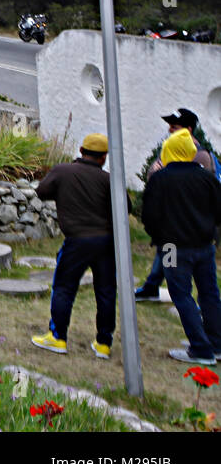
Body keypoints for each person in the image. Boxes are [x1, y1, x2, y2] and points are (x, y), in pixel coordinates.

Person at [31, 133, 124, 359]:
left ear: (81, 151)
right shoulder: (108, 179)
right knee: (106, 291)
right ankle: (103, 343)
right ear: (103, 158)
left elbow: (41, 191)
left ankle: (58, 337)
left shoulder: (63, 171)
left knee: (64, 287)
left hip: (76, 241)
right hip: (105, 242)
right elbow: (125, 206)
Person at [142, 128, 221, 365]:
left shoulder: (160, 179)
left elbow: (149, 215)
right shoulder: (207, 177)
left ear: (169, 151)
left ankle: (200, 348)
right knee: (209, 293)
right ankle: (216, 344)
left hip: (171, 247)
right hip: (204, 246)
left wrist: (157, 235)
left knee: (180, 293)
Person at [136, 107, 218, 301]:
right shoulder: (170, 147)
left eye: (174, 127)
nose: (170, 130)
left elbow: (157, 174)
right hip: (171, 232)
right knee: (166, 257)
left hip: (186, 232)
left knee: (180, 281)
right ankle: (152, 285)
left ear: (188, 130)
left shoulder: (199, 155)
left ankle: (184, 302)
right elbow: (152, 174)